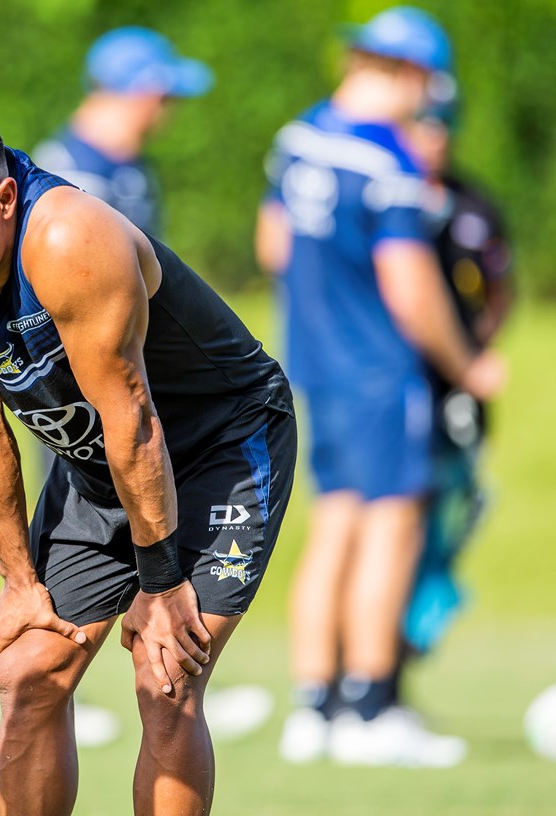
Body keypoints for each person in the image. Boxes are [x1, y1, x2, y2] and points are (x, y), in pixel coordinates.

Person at [0, 106, 296, 816]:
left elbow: (132, 421)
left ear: (4, 199)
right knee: (29, 672)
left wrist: (161, 585)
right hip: (101, 461)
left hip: (218, 445)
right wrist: (19, 579)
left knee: (165, 675)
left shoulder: (69, 239)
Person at [256, 6, 505, 767]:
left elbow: (273, 245)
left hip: (313, 366)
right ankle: (369, 709)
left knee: (334, 524)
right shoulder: (389, 159)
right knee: (392, 528)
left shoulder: (300, 137)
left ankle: (314, 708)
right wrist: (466, 364)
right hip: (380, 374)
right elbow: (409, 286)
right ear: (408, 73)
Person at [35, 26, 275, 747]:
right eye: (163, 93)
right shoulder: (63, 174)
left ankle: (173, 667)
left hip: (139, 386)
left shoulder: (133, 171)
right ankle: (64, 681)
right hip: (79, 395)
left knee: (165, 521)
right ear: (134, 90)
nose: (168, 108)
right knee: (81, 528)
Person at [393, 89, 514, 697]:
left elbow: (500, 289)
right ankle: (371, 679)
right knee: (395, 523)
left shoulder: (475, 205)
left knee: (452, 515)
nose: (434, 136)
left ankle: (403, 655)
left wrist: (475, 354)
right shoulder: (389, 199)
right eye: (423, 123)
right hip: (397, 390)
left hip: (458, 396)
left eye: (444, 124)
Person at [33, 25, 212, 239]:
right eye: (166, 99)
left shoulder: (133, 168)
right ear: (146, 90)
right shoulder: (68, 174)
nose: (170, 110)